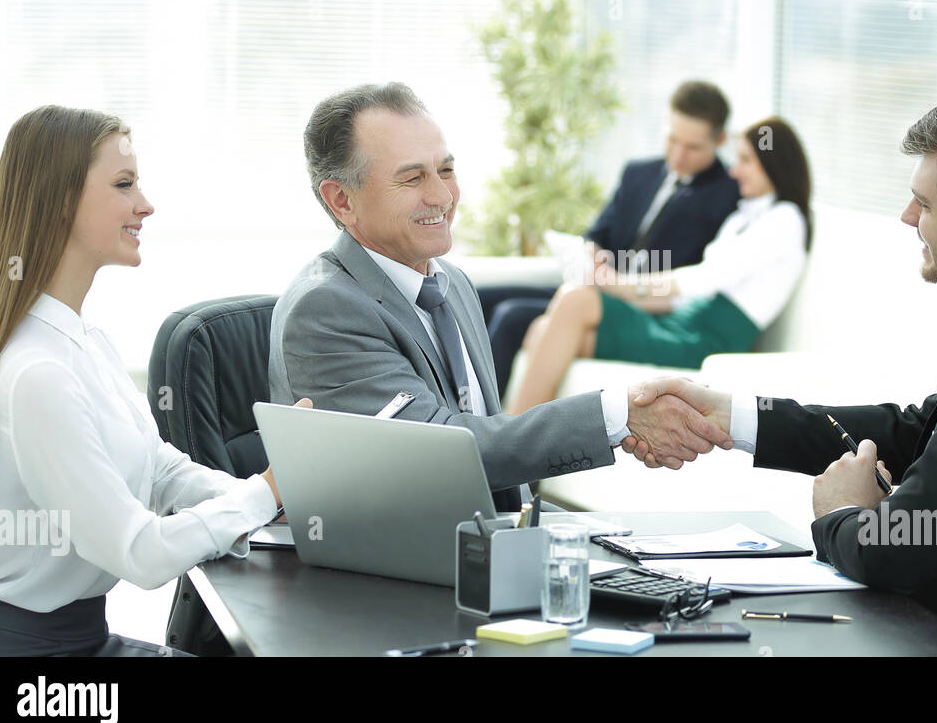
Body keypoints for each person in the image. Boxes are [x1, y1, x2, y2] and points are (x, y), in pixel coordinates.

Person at [627, 88, 937, 655]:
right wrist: (730, 414)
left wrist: (841, 512)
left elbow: (896, 550)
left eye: (923, 204)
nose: (906, 218)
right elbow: (919, 432)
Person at [267, 82, 732, 514]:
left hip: (478, 545)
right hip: (388, 579)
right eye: (412, 179)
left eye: (446, 170)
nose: (442, 196)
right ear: (341, 200)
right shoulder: (326, 309)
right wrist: (616, 414)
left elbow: (496, 483)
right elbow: (441, 454)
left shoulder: (454, 285)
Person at [0, 105, 300, 657]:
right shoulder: (38, 374)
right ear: (61, 200)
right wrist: (260, 495)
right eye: (124, 184)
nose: (145, 204)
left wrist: (278, 491)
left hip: (77, 641)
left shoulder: (84, 343)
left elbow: (161, 470)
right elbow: (138, 552)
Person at [507, 117, 812, 413]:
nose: (734, 170)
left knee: (575, 299)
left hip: (704, 341)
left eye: (746, 160)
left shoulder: (784, 220)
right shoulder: (743, 217)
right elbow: (686, 294)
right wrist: (623, 292)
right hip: (679, 320)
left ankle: (514, 440)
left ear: (774, 164)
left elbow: (704, 278)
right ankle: (536, 440)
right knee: (541, 329)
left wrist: (620, 285)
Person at [480, 80, 741, 397]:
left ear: (721, 140)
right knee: (477, 298)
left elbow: (697, 277)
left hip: (641, 304)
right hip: (596, 284)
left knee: (511, 315)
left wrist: (621, 284)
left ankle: (483, 421)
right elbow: (598, 232)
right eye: (672, 139)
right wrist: (594, 252)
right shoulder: (639, 173)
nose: (678, 154)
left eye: (693, 147)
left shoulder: (728, 194)